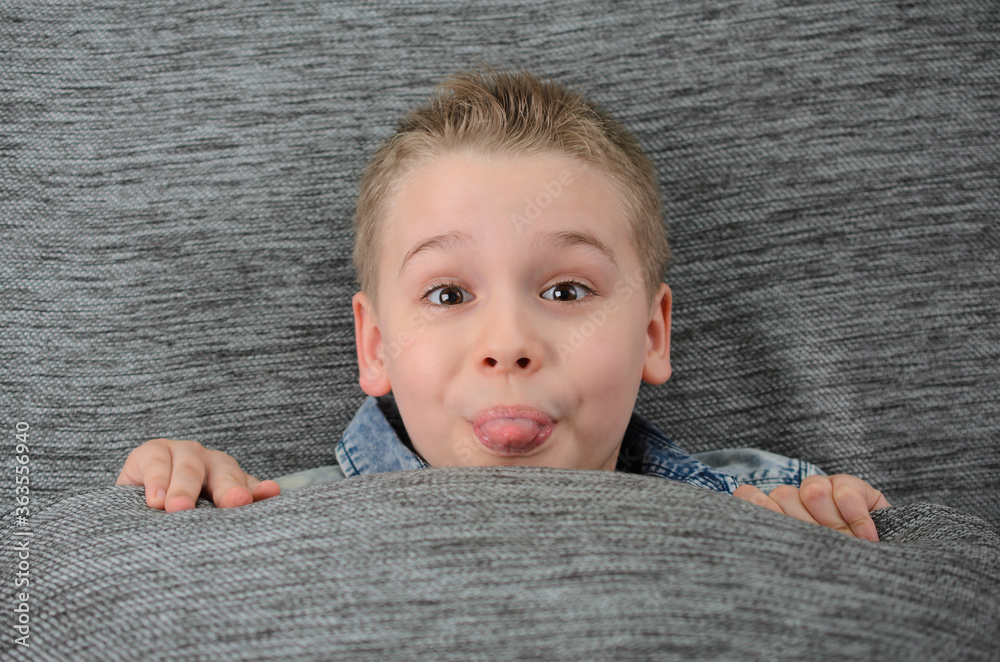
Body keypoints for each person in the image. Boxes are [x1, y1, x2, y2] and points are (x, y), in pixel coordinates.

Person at [116, 68, 890, 540]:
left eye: (565, 290)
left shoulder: (764, 502)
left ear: (653, 333)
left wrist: (835, 526)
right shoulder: (270, 513)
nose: (509, 343)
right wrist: (175, 490)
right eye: (448, 293)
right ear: (377, 346)